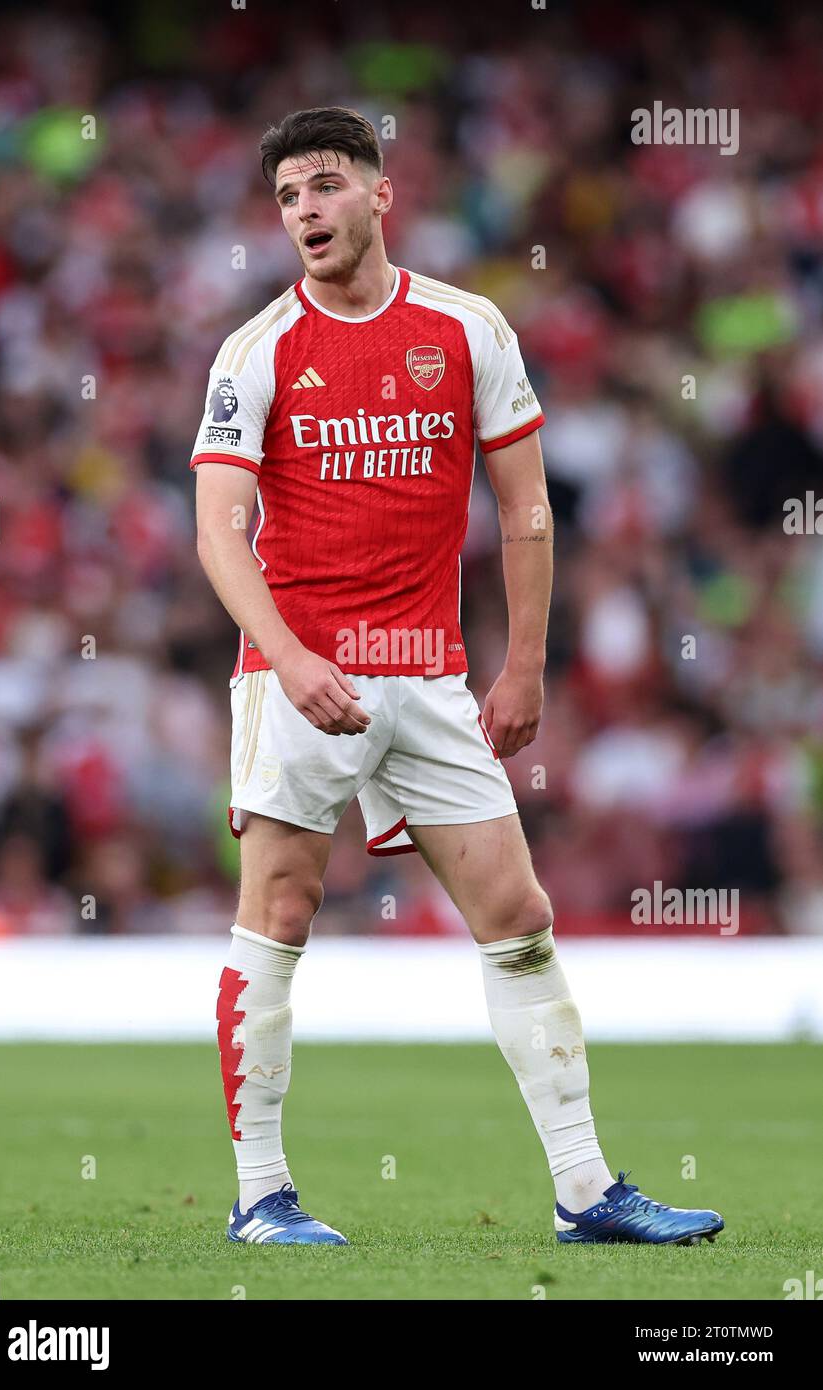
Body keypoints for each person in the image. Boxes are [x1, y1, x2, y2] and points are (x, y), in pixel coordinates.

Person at [192, 106, 724, 1248]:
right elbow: (219, 532)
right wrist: (286, 656)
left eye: (326, 185)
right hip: (297, 680)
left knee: (519, 915)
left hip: (430, 678)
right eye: (288, 198)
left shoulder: (466, 327)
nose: (306, 213)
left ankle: (584, 1191)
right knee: (279, 911)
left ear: (382, 193)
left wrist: (525, 658)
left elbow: (526, 507)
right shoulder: (256, 351)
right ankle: (259, 1194)